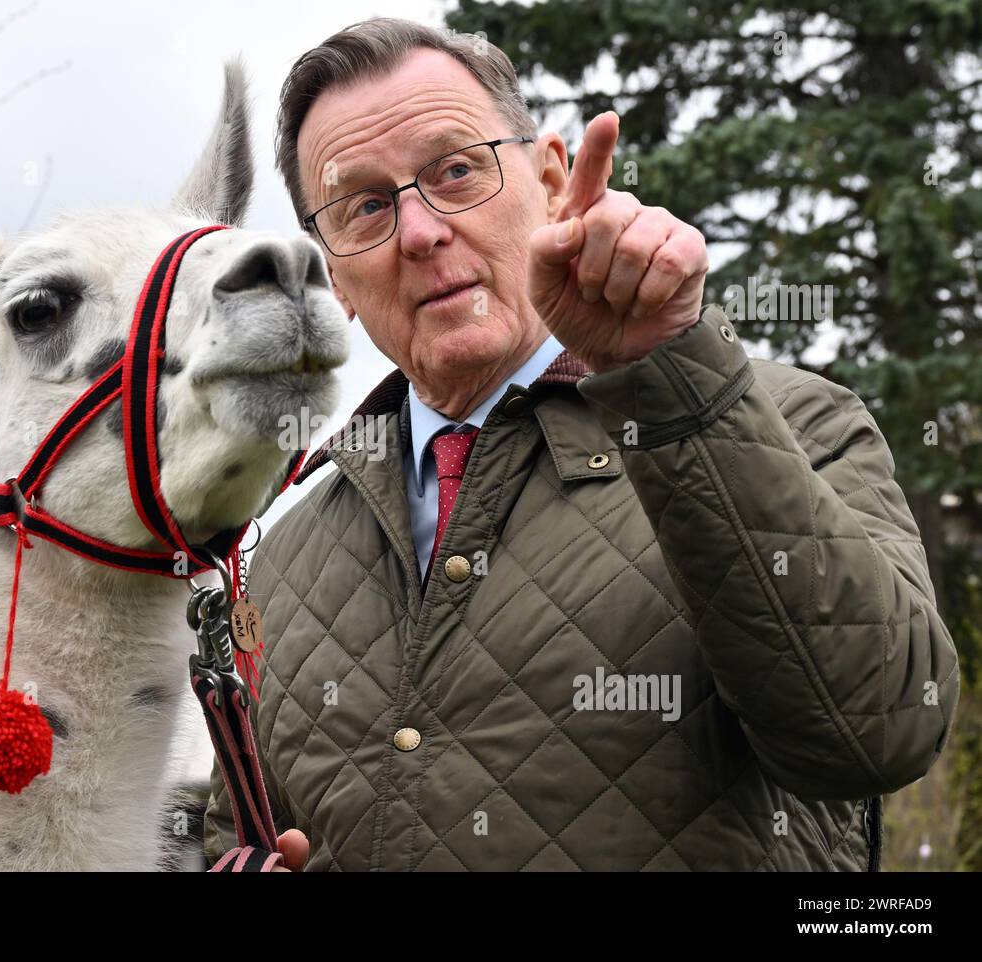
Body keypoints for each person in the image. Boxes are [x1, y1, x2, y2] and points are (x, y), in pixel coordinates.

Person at [204, 17, 958, 871]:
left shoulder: (795, 423)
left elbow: (880, 734)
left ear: (554, 183)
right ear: (334, 273)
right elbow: (236, 830)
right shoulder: (272, 565)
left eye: (456, 171)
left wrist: (669, 377)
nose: (418, 232)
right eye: (366, 206)